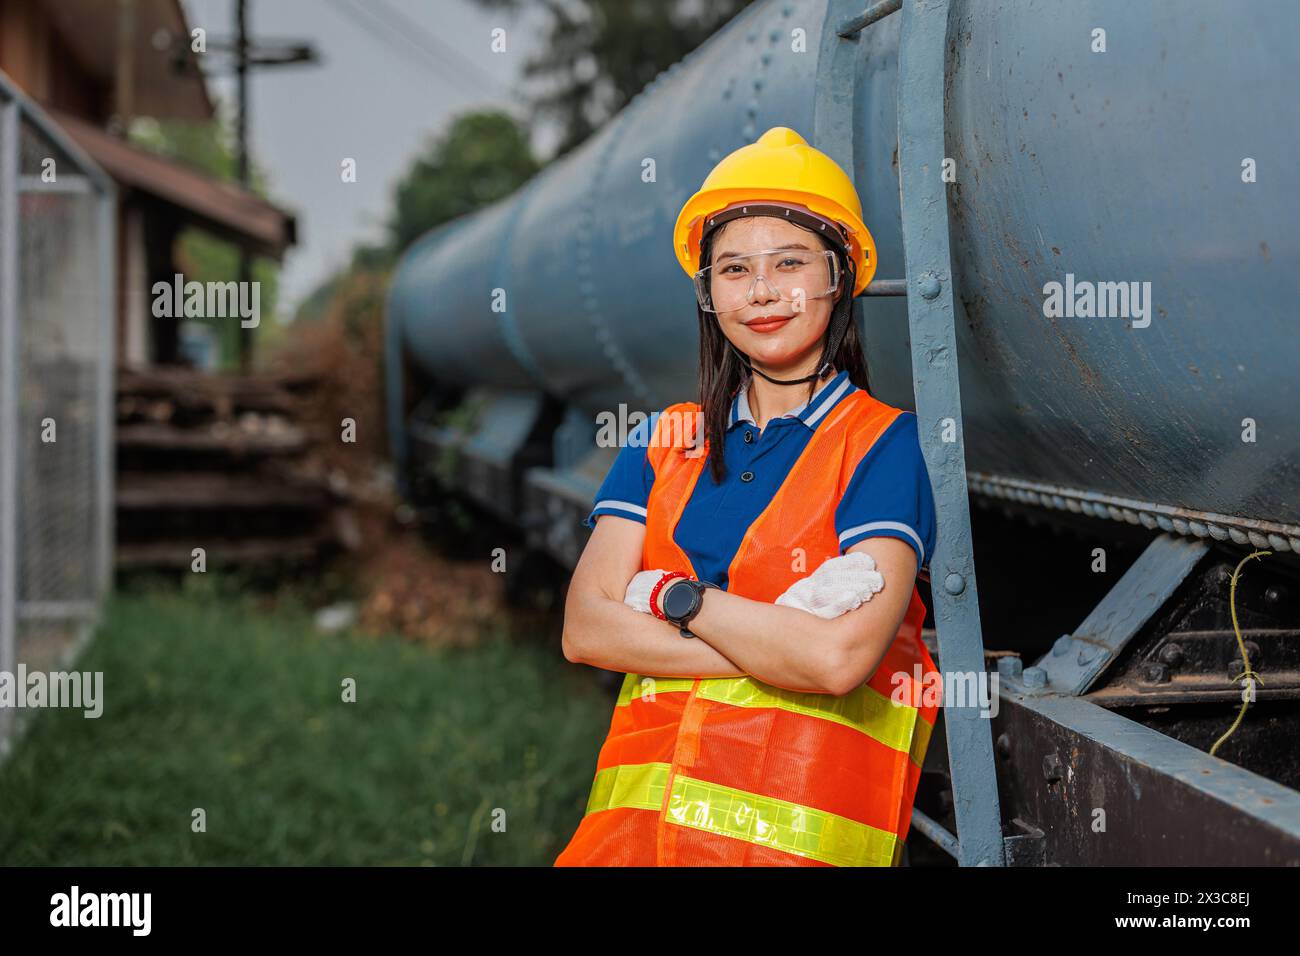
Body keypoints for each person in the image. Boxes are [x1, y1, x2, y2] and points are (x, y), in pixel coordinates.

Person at [555, 127, 941, 867]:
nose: (761, 291)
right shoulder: (664, 439)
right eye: (733, 269)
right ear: (708, 294)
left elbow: (836, 661)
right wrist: (776, 641)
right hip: (632, 846)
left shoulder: (885, 445)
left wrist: (678, 598)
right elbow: (585, 630)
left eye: (789, 263)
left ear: (839, 277)